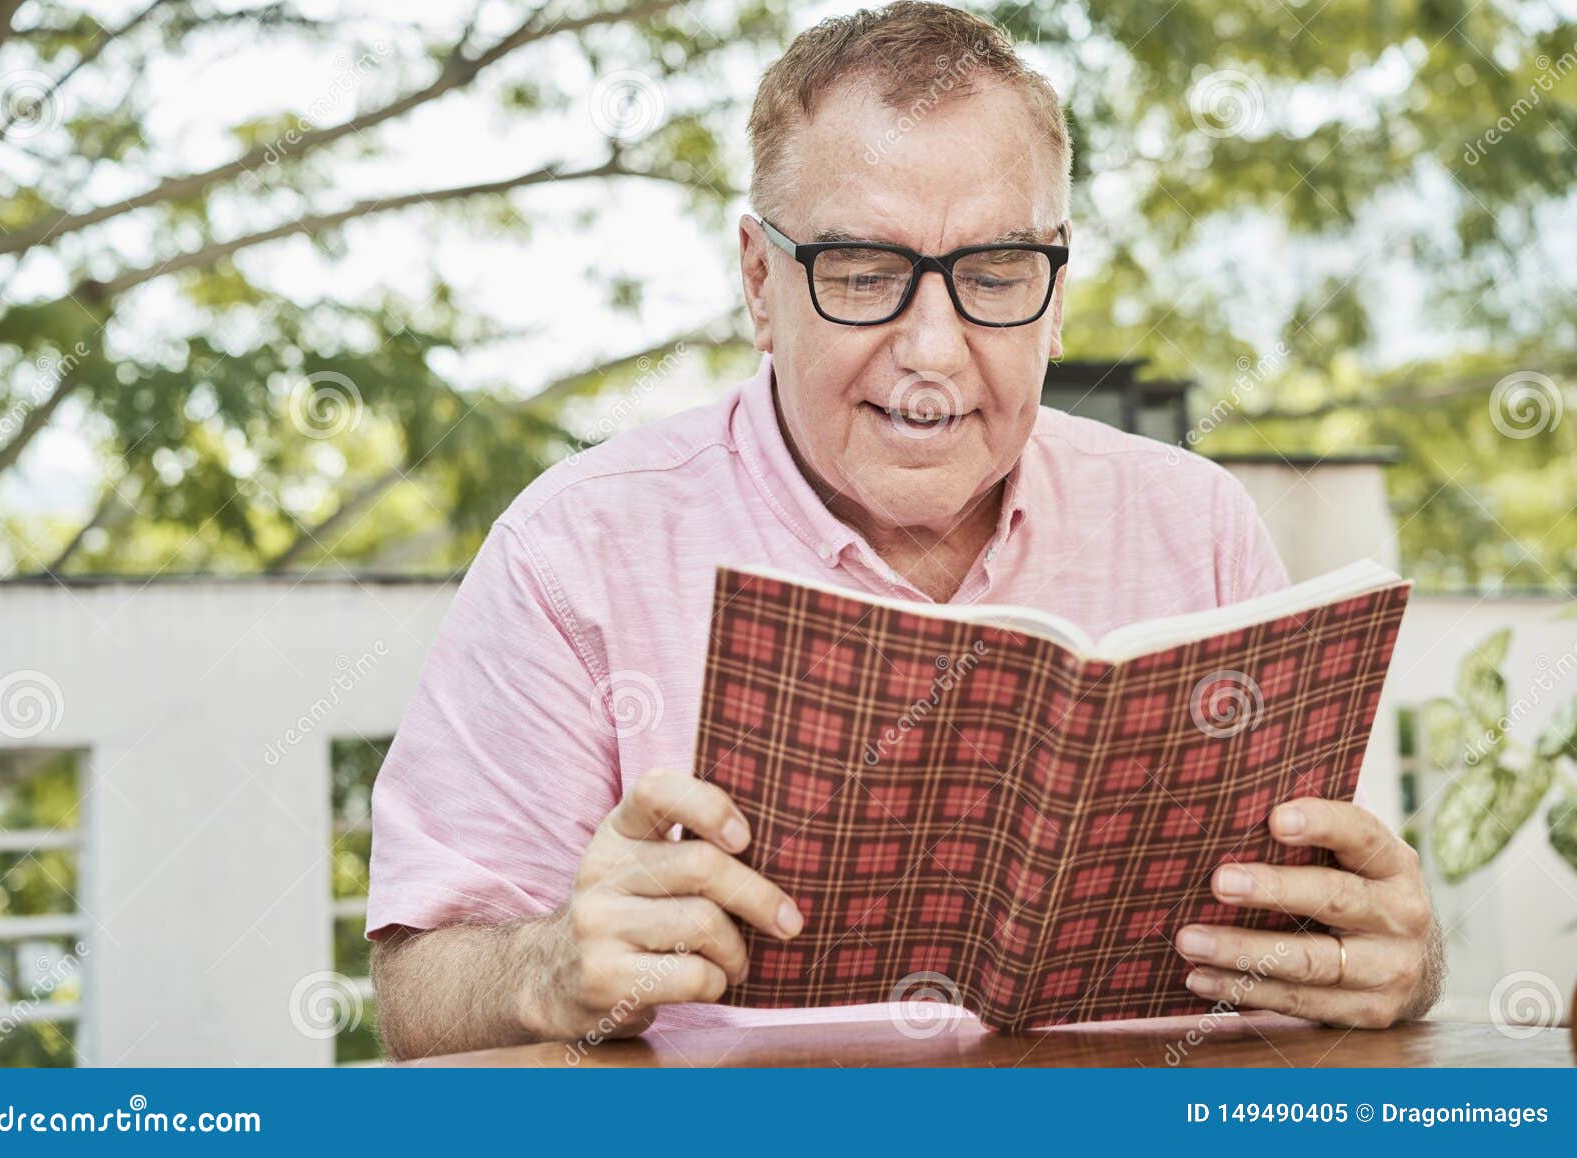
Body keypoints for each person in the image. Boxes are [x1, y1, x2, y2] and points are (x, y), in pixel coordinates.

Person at [367, 1, 1441, 1061]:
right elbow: (415, 995)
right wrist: (549, 966)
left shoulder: (1195, 522)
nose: (932, 350)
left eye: (993, 276)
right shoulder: (577, 546)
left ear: (1054, 289)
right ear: (758, 280)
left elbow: (1321, 933)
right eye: (865, 275)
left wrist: (1402, 961)